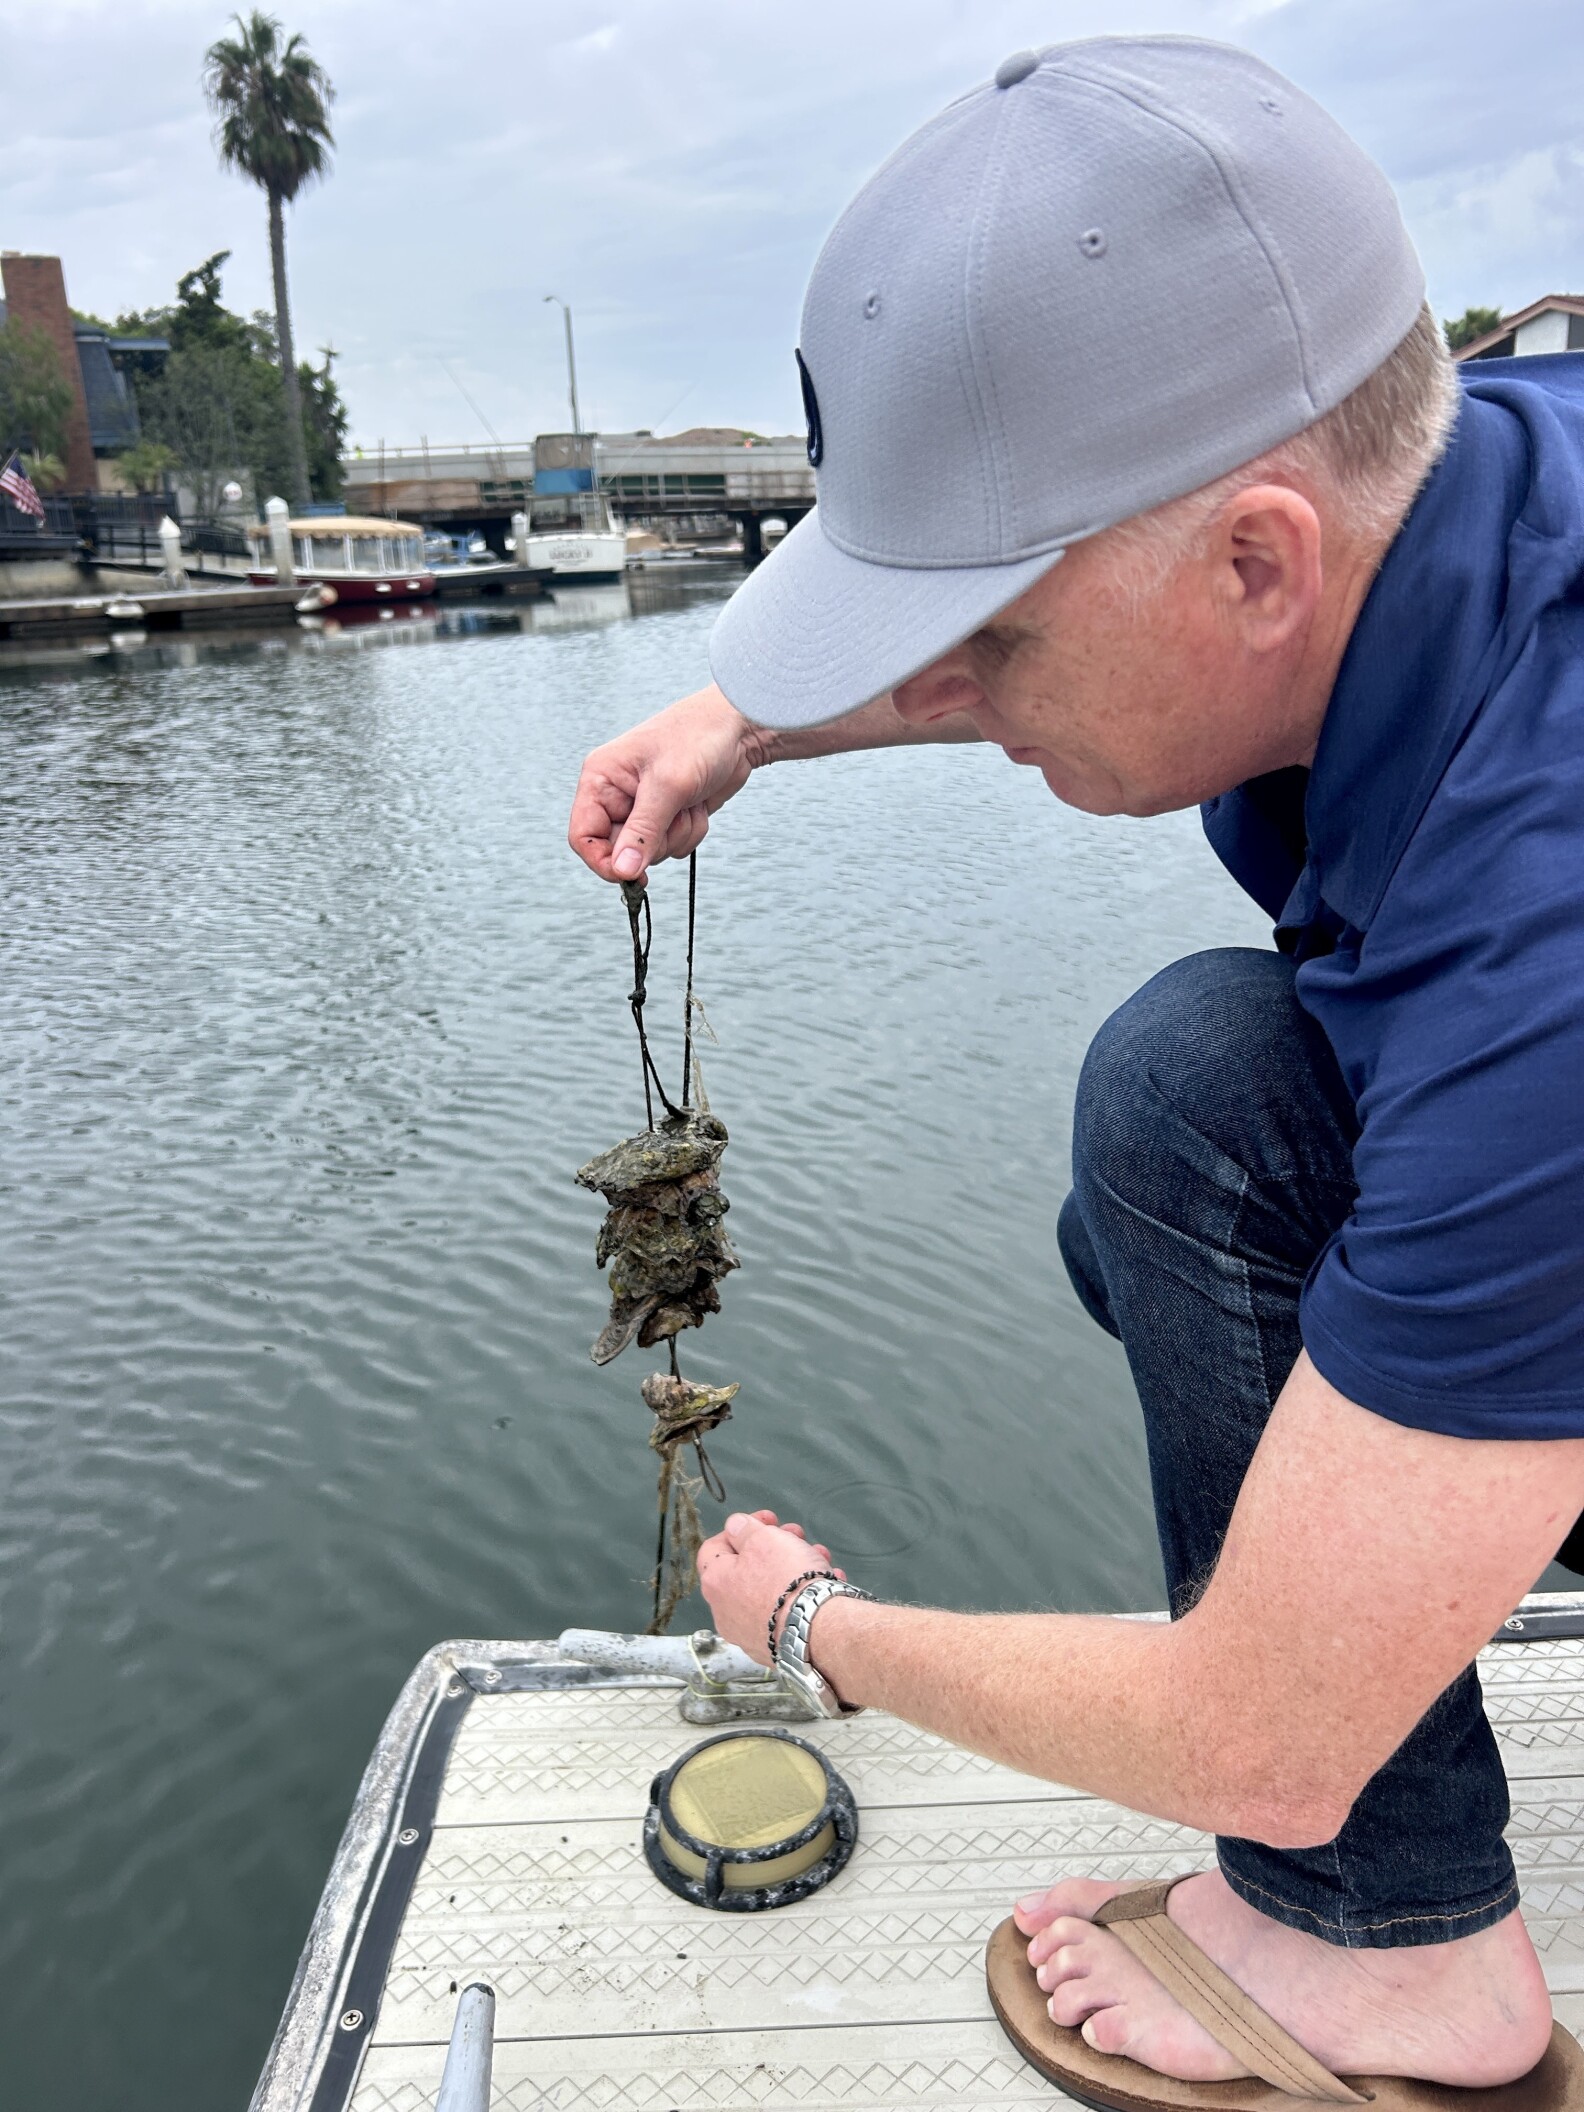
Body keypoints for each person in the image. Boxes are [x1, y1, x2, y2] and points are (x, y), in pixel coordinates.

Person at [567, 37, 1584, 2103]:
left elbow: (1258, 1736)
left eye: (993, 642)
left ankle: (1413, 1965)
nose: (970, 699)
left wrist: (809, 1624)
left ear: (1255, 563)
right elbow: (1112, 657)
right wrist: (750, 726)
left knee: (1193, 1110)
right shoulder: (1468, 473)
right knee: (1196, 1090)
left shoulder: (1548, 931)